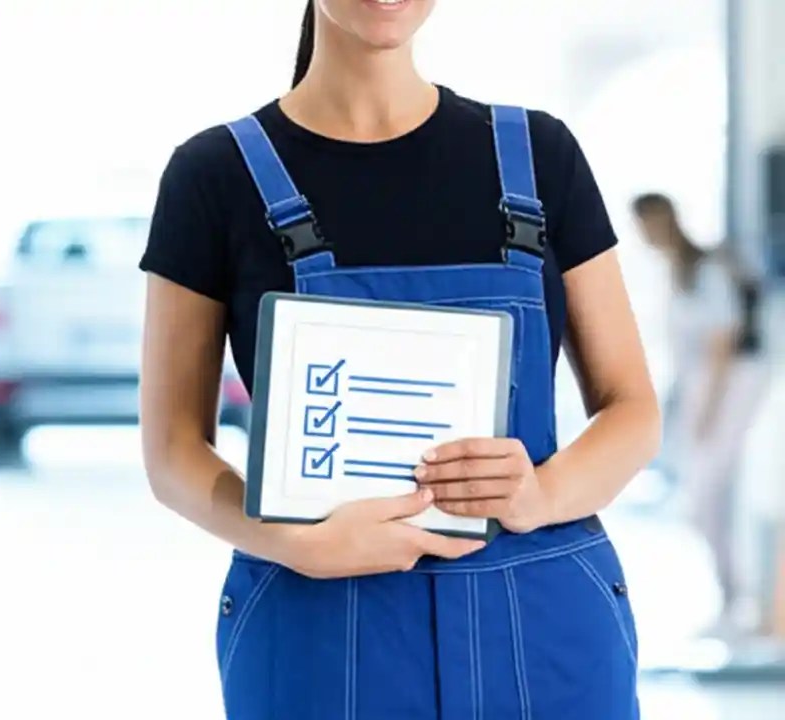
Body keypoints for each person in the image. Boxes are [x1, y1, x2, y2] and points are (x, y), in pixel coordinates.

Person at [138, 2, 660, 718]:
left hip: (544, 625)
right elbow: (172, 451)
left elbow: (632, 409)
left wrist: (543, 493)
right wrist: (291, 543)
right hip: (319, 631)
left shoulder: (541, 156)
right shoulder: (212, 176)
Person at [632, 193, 771, 635]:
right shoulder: (677, 274)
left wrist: (707, 412)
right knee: (704, 500)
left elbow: (721, 344)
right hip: (703, 394)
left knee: (707, 496)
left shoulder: (707, 270)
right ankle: (733, 601)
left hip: (727, 392)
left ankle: (739, 603)